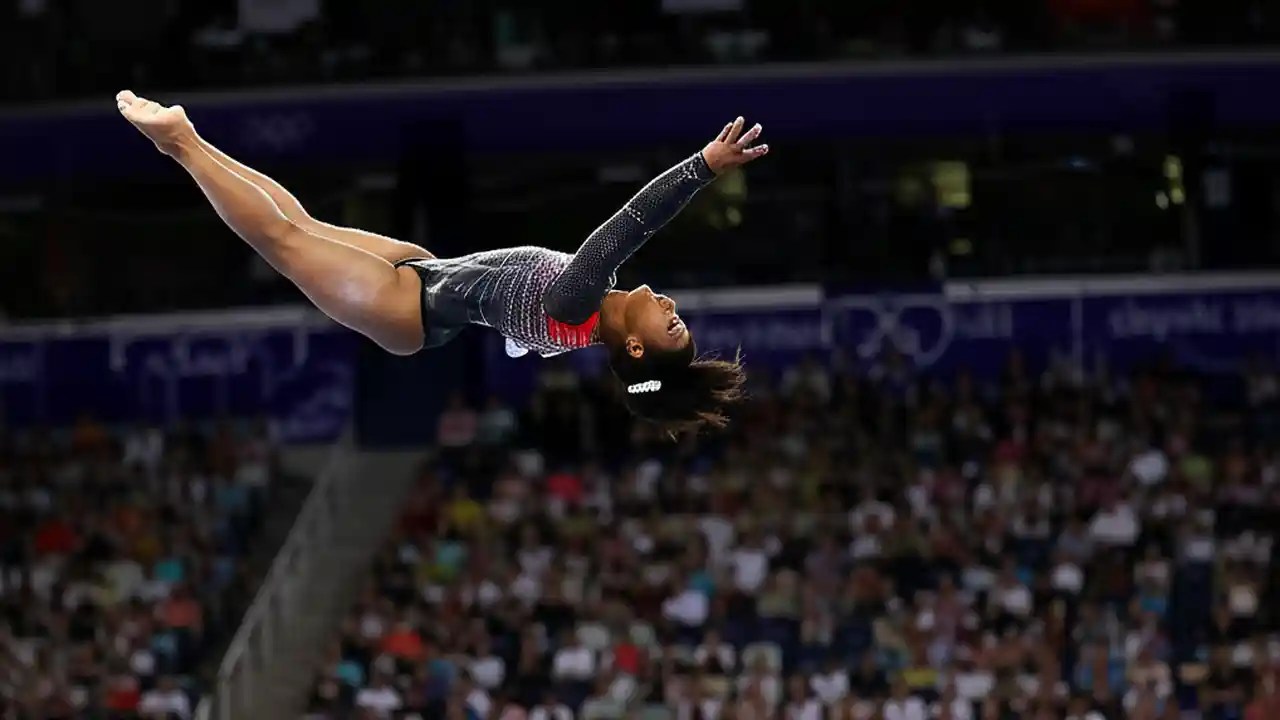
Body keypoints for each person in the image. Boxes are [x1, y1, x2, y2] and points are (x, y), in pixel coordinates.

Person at [115, 91, 768, 434]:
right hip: (426, 273)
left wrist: (702, 167)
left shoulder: (578, 308)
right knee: (301, 225)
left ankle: (179, 144)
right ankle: (191, 139)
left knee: (282, 242)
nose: (672, 307)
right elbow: (545, 333)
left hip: (405, 310)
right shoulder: (585, 317)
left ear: (634, 345)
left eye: (671, 327)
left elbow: (628, 225)